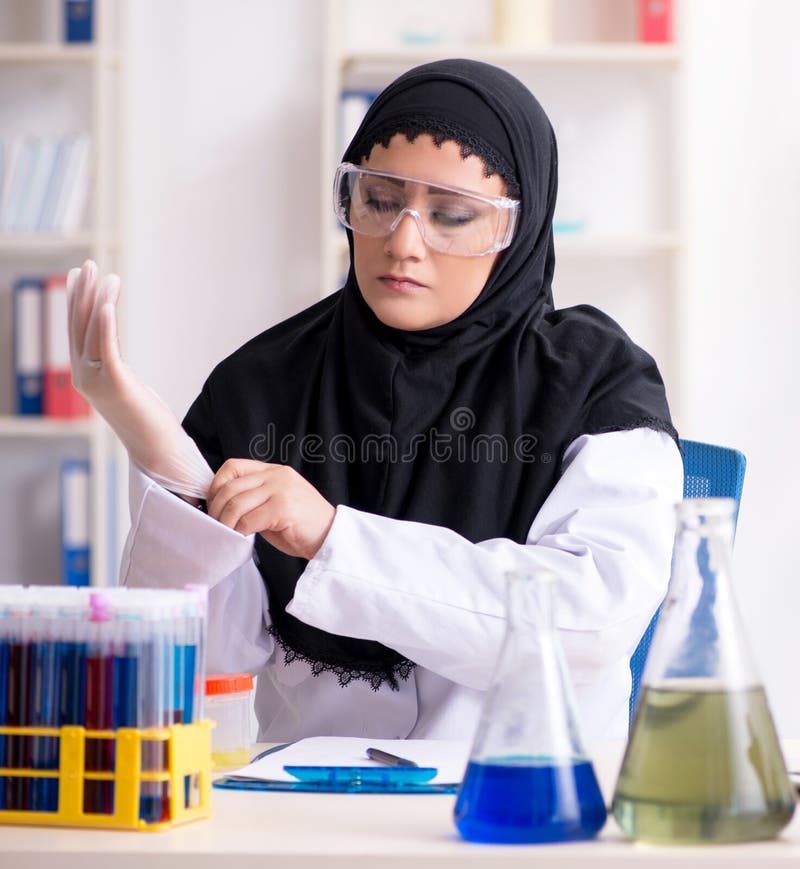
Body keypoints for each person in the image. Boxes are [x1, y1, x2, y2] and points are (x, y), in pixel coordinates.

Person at [67, 59, 683, 743]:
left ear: (520, 227)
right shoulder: (262, 381)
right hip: (316, 812)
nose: (404, 242)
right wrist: (166, 461)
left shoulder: (598, 380)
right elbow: (204, 662)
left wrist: (335, 537)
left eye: (452, 216)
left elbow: (590, 622)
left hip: (524, 812)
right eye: (380, 202)